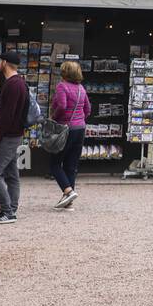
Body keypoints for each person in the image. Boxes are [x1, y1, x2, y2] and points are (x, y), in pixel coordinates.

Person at [0, 50, 29, 224]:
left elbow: (7, 114)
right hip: (16, 134)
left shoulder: (12, 84)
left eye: (0, 61)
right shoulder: (21, 83)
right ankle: (11, 208)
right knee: (12, 174)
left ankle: (7, 211)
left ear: (4, 63)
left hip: (8, 135)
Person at [50, 60, 91, 209]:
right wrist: (79, 120)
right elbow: (88, 110)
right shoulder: (81, 88)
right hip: (80, 129)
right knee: (71, 165)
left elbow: (61, 106)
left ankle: (68, 191)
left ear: (64, 73)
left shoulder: (62, 86)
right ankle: (69, 201)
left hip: (66, 129)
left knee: (54, 164)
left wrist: (53, 119)